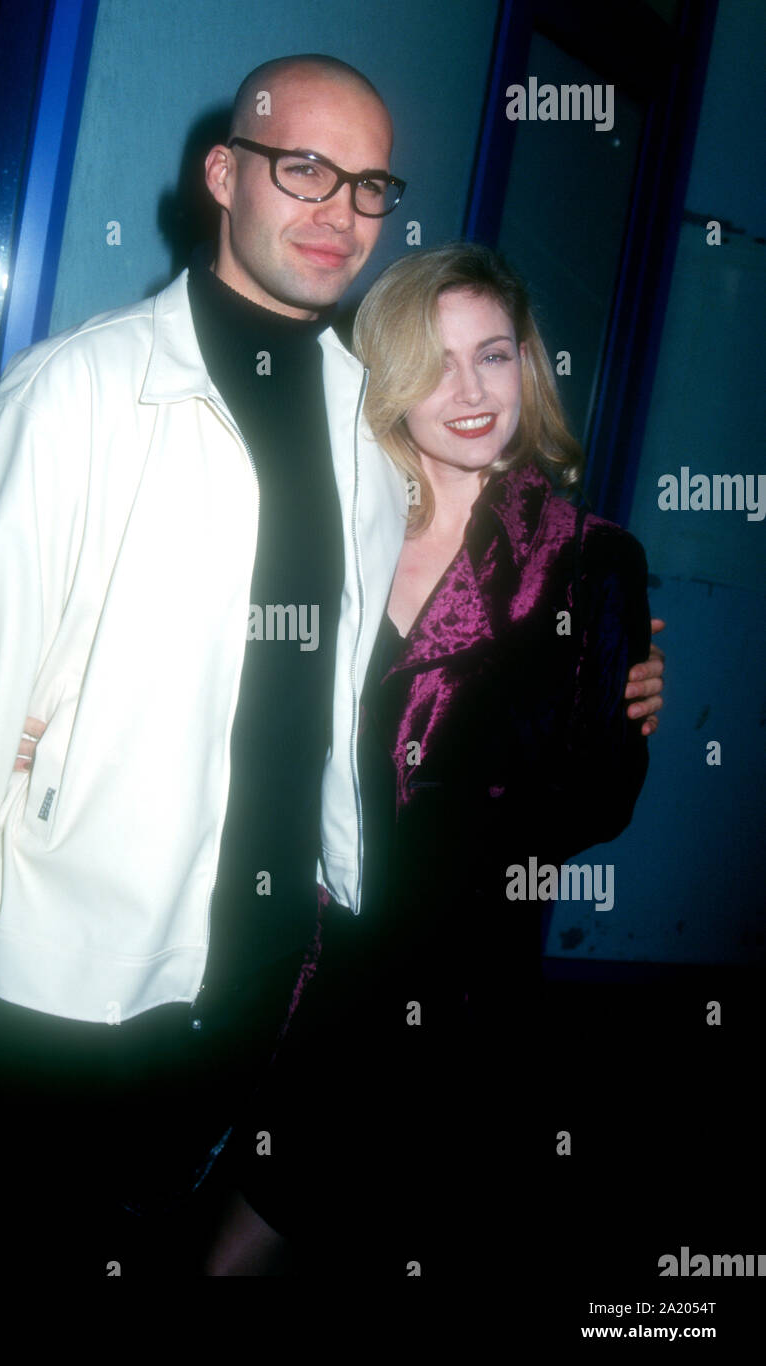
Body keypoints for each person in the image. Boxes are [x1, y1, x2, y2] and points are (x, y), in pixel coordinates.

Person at [0, 56, 663, 1277]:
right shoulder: (81, 391)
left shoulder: (356, 422)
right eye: (304, 169)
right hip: (76, 969)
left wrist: (606, 670)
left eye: (369, 185)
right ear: (225, 176)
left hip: (264, 978)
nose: (338, 210)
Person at [207, 243, 655, 1276]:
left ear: (526, 368)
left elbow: (603, 794)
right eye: (434, 362)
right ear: (388, 380)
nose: (467, 392)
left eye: (492, 356)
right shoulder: (336, 530)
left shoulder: (592, 561)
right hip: (295, 953)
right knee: (232, 1233)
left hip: (455, 988)